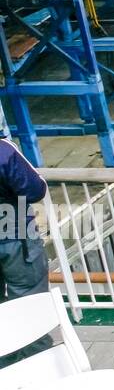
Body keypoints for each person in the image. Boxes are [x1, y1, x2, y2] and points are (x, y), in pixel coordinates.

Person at [0, 137, 51, 368]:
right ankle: (40, 367)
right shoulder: (4, 150)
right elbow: (34, 190)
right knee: (31, 302)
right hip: (15, 237)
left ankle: (7, 368)